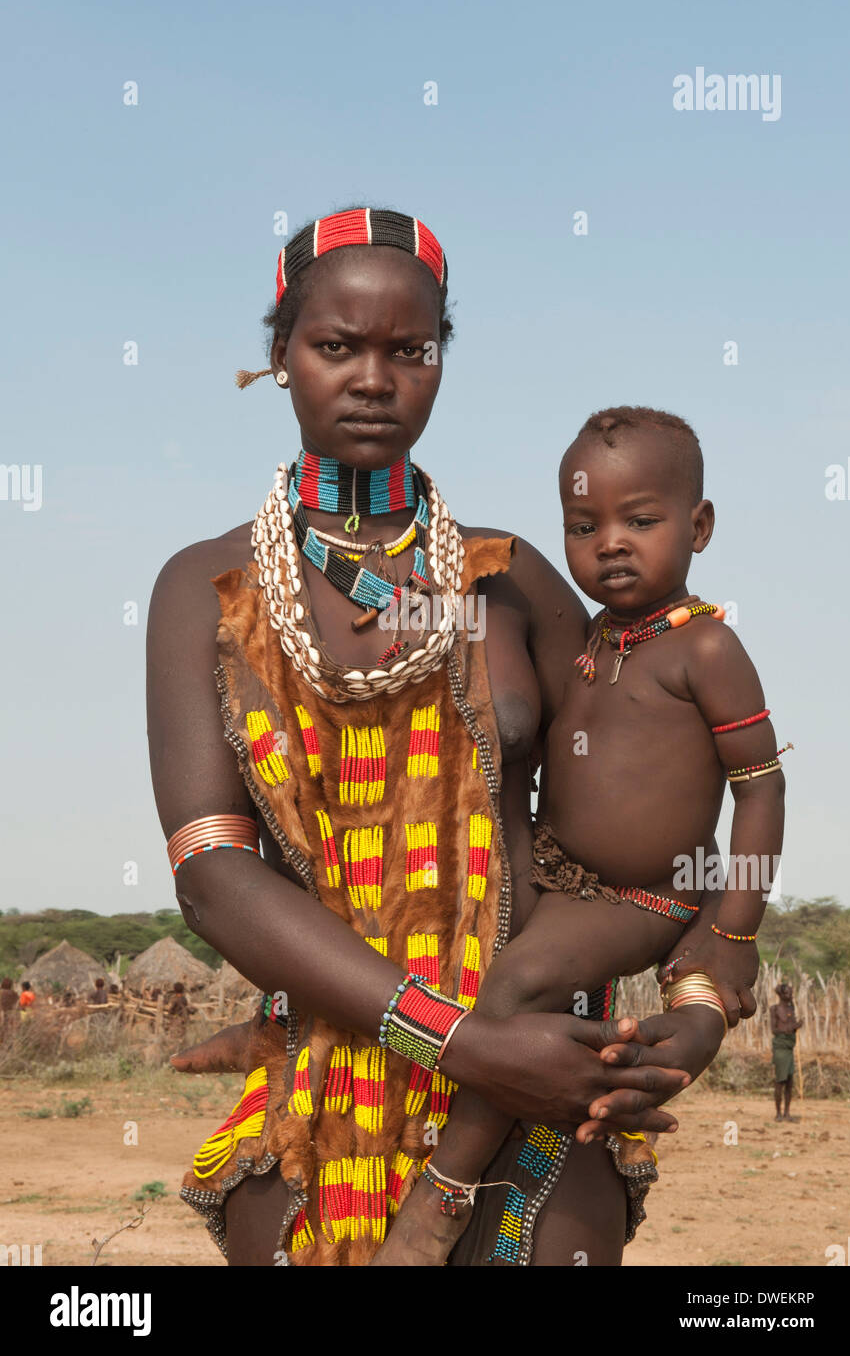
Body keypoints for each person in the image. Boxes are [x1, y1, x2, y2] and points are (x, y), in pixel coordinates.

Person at [147, 207, 734, 1268]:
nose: (375, 378)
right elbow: (214, 874)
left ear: (440, 361)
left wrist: (697, 1005)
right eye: (336, 347)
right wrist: (463, 1043)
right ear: (280, 355)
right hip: (329, 1066)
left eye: (409, 351)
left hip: (542, 1065)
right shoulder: (207, 589)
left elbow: (664, 803)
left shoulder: (514, 586)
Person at [375, 407, 786, 1263]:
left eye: (641, 521)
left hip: (643, 892)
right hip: (559, 876)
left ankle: (442, 1194)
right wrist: (423, 615)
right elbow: (488, 638)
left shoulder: (706, 648)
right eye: (583, 526)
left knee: (514, 984)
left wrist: (733, 926)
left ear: (699, 526)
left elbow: (761, 785)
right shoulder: (597, 638)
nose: (610, 544)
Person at [770, 982, 802, 1121]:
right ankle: (778, 1113)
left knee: (790, 1082)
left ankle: (787, 1113)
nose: (791, 995)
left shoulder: (791, 1009)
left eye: (791, 993)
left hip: (789, 1048)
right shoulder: (775, 1009)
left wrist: (796, 1026)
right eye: (788, 993)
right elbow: (774, 1030)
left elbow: (791, 1027)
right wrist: (792, 1027)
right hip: (780, 1048)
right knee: (780, 1081)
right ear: (781, 995)